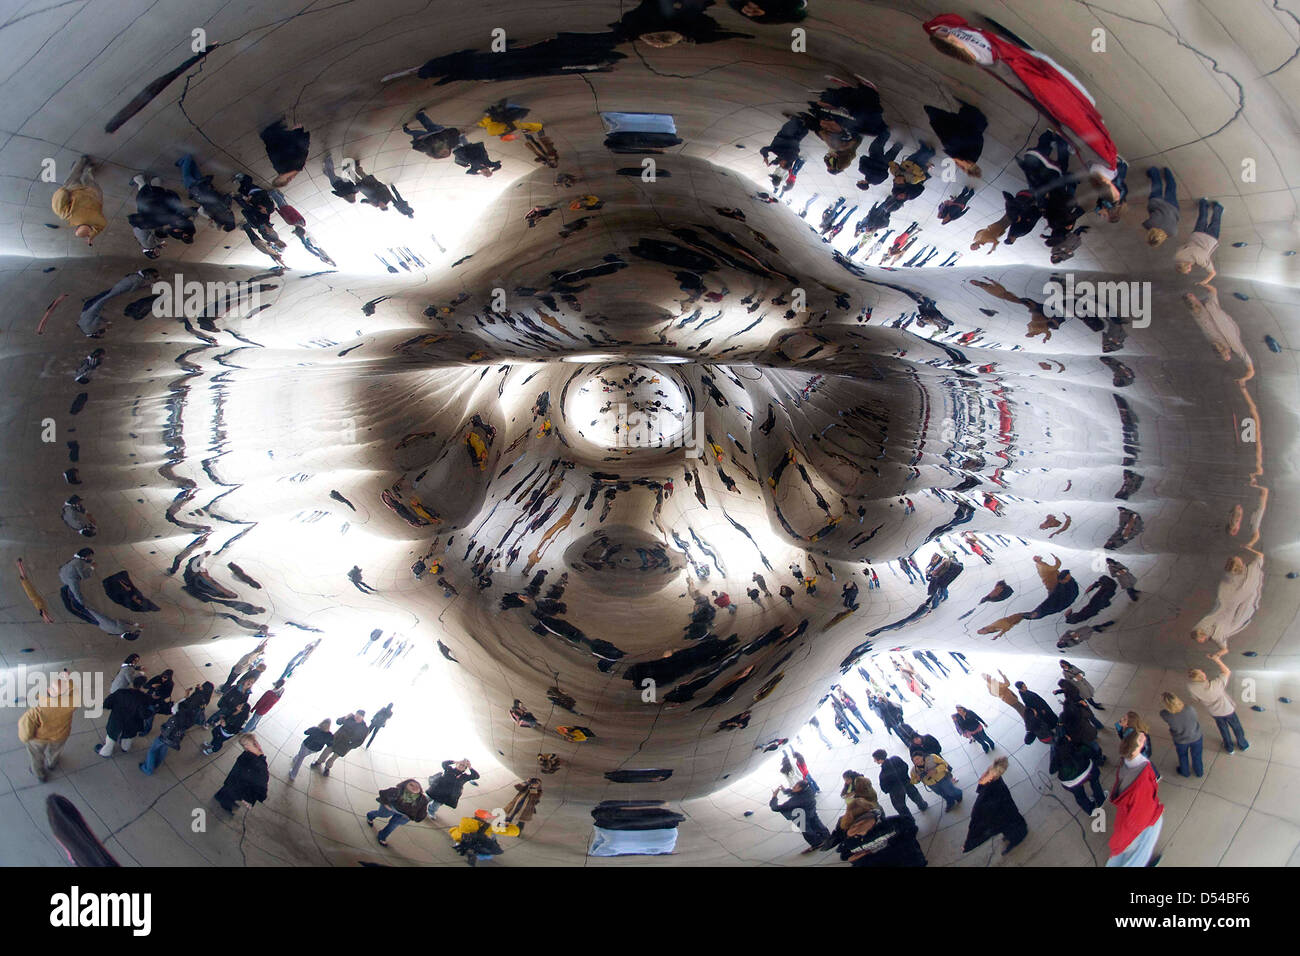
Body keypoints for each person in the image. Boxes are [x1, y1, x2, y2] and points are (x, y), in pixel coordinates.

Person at [1107, 729, 1164, 866]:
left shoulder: (1125, 766)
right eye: (1139, 740)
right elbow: (1142, 807)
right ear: (1133, 751)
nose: (1143, 737)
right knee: (1141, 849)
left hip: (1128, 819)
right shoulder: (1142, 775)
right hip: (1140, 820)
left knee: (1126, 851)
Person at [18, 671, 78, 782]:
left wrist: (26, 739)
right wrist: (68, 681)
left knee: (36, 756)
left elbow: (25, 729)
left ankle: (39, 774)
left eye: (53, 689)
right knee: (56, 751)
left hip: (39, 739)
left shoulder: (37, 711)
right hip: (60, 735)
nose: (49, 689)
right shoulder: (71, 702)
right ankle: (52, 764)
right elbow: (74, 692)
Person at [1186, 650, 1250, 753]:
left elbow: (1196, 699)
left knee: (1223, 729)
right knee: (1236, 727)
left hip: (1214, 712)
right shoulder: (1216, 684)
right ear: (1204, 676)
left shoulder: (1191, 687)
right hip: (1227, 710)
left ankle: (1229, 748)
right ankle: (1243, 744)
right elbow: (1227, 672)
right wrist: (1217, 660)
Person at [962, 756, 1027, 855]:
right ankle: (1014, 834)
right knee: (1009, 824)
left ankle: (1015, 839)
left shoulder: (993, 783)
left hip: (1002, 812)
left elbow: (983, 802)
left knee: (1007, 825)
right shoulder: (993, 780)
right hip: (1005, 810)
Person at [139, 684, 207, 775]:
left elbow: (173, 709)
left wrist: (185, 697)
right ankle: (155, 765)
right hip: (176, 735)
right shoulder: (198, 711)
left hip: (169, 730)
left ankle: (148, 769)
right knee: (163, 749)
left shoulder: (183, 707)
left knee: (153, 750)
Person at [836, 803, 927, 867]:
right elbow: (912, 829)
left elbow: (846, 857)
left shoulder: (849, 841)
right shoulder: (895, 822)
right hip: (909, 861)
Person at [51, 155, 106, 244]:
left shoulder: (99, 221)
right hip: (76, 190)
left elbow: (100, 228)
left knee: (89, 180)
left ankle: (90, 169)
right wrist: (64, 190)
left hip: (94, 193)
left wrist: (91, 236)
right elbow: (60, 197)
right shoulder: (67, 216)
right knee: (73, 177)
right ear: (77, 226)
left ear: (91, 228)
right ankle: (83, 161)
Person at [1049, 730, 1106, 814]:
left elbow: (1051, 770)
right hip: (1087, 773)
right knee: (1095, 781)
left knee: (1079, 796)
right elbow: (1092, 753)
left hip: (1070, 783)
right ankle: (1100, 799)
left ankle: (1090, 810)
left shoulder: (1056, 757)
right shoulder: (1079, 747)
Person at [769, 779, 830, 853]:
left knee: (806, 829)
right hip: (811, 810)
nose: (793, 788)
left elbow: (776, 808)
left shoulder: (796, 801)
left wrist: (774, 796)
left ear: (800, 788)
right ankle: (826, 836)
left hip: (802, 815)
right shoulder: (808, 790)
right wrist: (785, 790)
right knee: (816, 823)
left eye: (795, 787)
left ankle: (817, 843)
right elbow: (795, 792)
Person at [98, 675, 151, 757]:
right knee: (128, 738)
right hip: (131, 725)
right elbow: (144, 714)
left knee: (111, 738)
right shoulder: (144, 698)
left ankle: (105, 752)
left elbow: (106, 704)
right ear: (142, 686)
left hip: (116, 721)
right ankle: (125, 748)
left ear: (132, 683)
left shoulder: (120, 692)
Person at [214, 735, 269, 814]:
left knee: (226, 791)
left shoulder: (246, 754)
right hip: (239, 788)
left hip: (232, 782)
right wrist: (260, 797)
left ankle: (219, 796)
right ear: (255, 745)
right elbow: (261, 786)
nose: (259, 745)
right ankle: (226, 805)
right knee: (230, 797)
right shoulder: (260, 766)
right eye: (255, 743)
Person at [366, 778, 429, 846]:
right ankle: (370, 815)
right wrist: (386, 804)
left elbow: (422, 812)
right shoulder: (396, 791)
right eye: (411, 785)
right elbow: (383, 793)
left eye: (417, 786)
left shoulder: (422, 799)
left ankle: (382, 836)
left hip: (404, 814)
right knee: (382, 814)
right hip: (391, 807)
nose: (415, 787)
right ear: (405, 785)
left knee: (393, 825)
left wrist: (413, 817)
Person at [1175, 197, 1224, 284]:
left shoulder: (1200, 260)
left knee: (1215, 222)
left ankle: (1218, 208)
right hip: (1197, 234)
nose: (1190, 270)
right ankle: (1203, 202)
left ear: (1189, 266)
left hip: (1210, 238)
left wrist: (1203, 282)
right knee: (1202, 218)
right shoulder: (1177, 255)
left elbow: (1213, 273)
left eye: (1189, 270)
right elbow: (1183, 246)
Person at [1159, 692, 1205, 778]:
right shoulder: (1190, 709)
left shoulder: (1165, 714)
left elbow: (1163, 714)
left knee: (1182, 756)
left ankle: (1185, 772)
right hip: (1196, 737)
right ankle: (1199, 772)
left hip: (1180, 740)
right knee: (1197, 755)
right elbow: (1195, 718)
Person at [873, 748, 929, 817]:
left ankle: (908, 818)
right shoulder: (896, 758)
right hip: (906, 782)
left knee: (899, 806)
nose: (874, 761)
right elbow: (905, 766)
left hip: (896, 791)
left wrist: (891, 789)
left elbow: (884, 788)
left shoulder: (883, 774)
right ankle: (922, 805)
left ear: (879, 760)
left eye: (875, 759)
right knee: (915, 795)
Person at [311, 711, 368, 775]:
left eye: (358, 717)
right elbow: (338, 722)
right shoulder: (349, 718)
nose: (356, 718)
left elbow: (360, 741)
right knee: (326, 752)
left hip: (344, 746)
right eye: (356, 716)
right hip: (335, 739)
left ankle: (327, 768)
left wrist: (350, 746)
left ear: (362, 718)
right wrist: (345, 717)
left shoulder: (364, 728)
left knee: (333, 758)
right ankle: (319, 762)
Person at [261, 119, 310, 187]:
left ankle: (294, 131)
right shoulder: (282, 169)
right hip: (291, 143)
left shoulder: (286, 169)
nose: (290, 179)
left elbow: (277, 153)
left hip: (292, 143)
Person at [1142, 166, 1179, 247]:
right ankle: (1153, 171)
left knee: (1171, 188)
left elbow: (1176, 221)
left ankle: (1167, 171)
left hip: (1172, 207)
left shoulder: (1173, 232)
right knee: (1157, 186)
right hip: (1155, 202)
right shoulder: (1149, 225)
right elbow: (1146, 221)